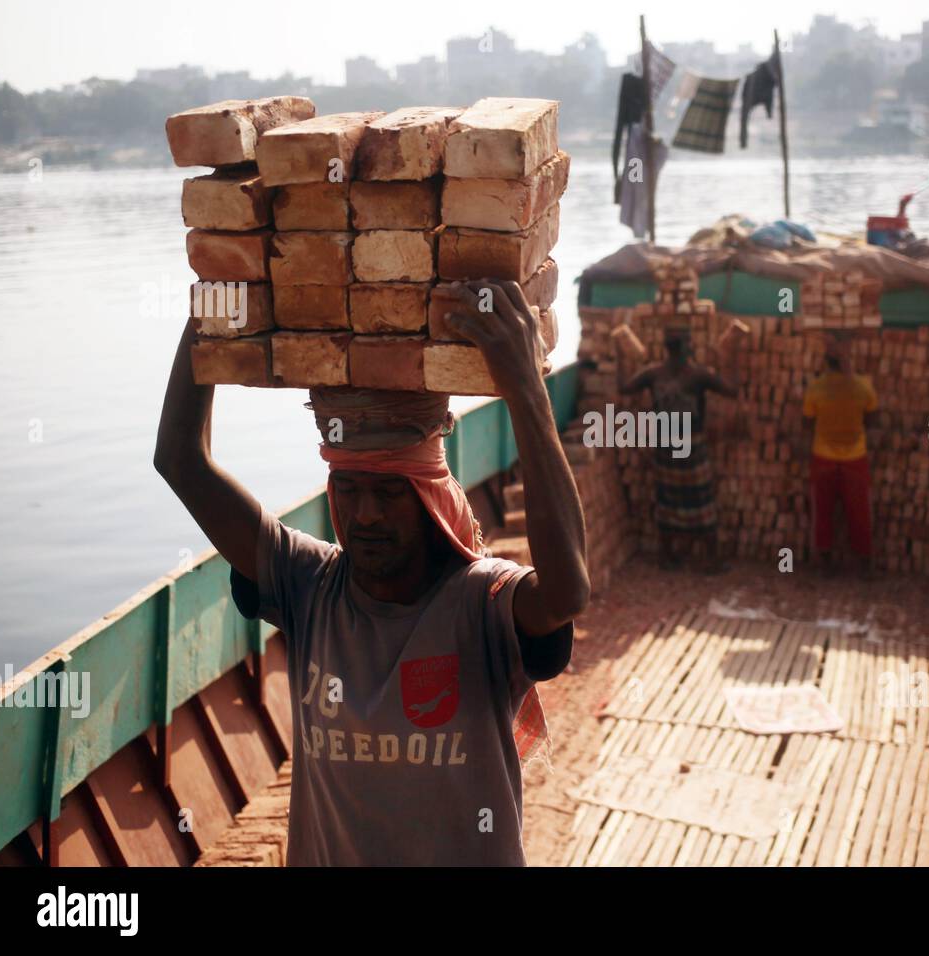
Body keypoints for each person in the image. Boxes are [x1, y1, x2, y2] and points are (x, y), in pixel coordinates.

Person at [154, 279, 589, 866]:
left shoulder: (481, 601)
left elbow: (567, 591)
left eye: (388, 493)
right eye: (349, 489)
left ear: (429, 496)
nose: (364, 515)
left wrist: (525, 390)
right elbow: (180, 460)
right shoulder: (308, 585)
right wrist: (211, 301)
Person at [618, 326, 737, 572]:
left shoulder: (653, 374)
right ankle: (710, 560)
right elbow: (732, 390)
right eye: (689, 344)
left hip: (665, 448)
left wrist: (621, 352)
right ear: (683, 348)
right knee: (702, 502)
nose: (692, 348)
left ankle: (667, 556)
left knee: (668, 501)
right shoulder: (697, 375)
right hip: (691, 448)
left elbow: (623, 387)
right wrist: (731, 355)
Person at [800, 337, 879, 577]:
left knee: (822, 511)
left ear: (825, 363)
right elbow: (873, 419)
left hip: (823, 455)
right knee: (860, 512)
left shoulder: (815, 388)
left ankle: (823, 563)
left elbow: (807, 422)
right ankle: (864, 564)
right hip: (855, 456)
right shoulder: (862, 386)